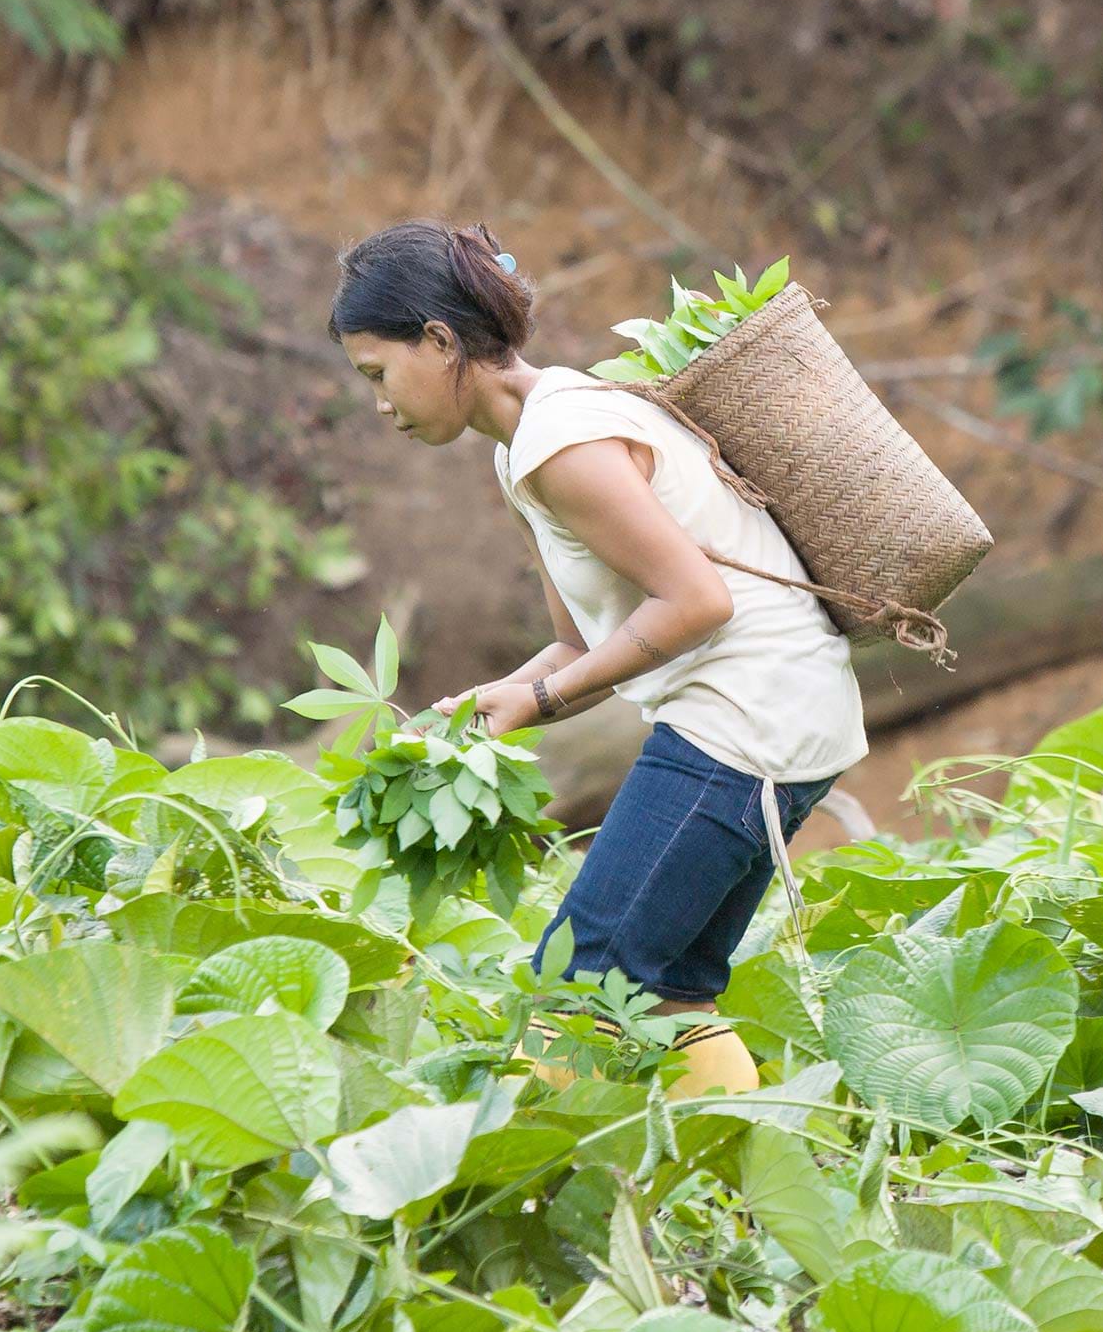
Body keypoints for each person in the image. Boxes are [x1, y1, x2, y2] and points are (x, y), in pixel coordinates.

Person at [328, 220, 864, 1095]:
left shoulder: (562, 442)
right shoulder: (529, 444)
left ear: (440, 339)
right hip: (784, 722)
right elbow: (582, 642)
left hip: (743, 724)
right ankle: (742, 1195)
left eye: (379, 375)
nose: (381, 404)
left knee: (572, 989)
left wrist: (538, 700)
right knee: (669, 994)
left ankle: (512, 1190)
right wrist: (492, 699)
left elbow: (697, 602)